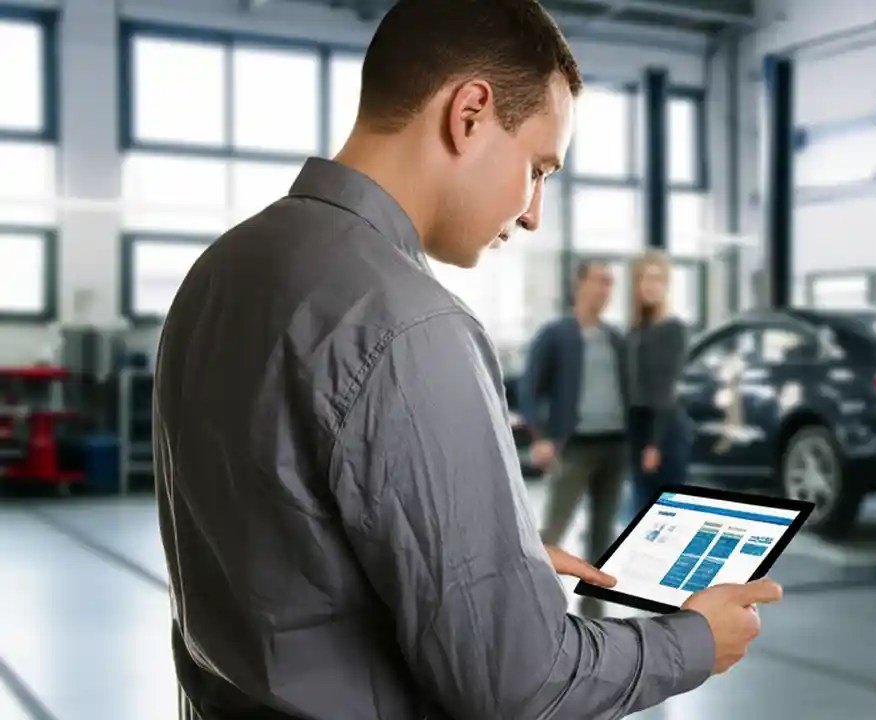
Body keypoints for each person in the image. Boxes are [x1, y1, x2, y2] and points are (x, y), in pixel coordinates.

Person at [151, 1, 782, 718]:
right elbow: (517, 682)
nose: (534, 210)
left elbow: (282, 542)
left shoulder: (222, 270)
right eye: (539, 168)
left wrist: (485, 561)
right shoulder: (410, 321)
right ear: (471, 112)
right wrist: (695, 642)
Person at [519, 260, 629, 619]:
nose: (605, 289)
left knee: (603, 533)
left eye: (610, 283)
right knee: (554, 528)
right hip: (574, 446)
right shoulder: (556, 334)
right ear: (579, 285)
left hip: (614, 445)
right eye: (599, 280)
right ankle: (529, 605)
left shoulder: (614, 337)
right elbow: (529, 388)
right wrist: (540, 436)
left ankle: (594, 613)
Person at [627, 250, 693, 518]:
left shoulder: (673, 329)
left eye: (656, 278)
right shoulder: (635, 330)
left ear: (666, 285)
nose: (649, 285)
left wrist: (654, 444)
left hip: (663, 429)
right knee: (641, 511)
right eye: (643, 278)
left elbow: (667, 388)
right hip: (638, 426)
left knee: (665, 514)